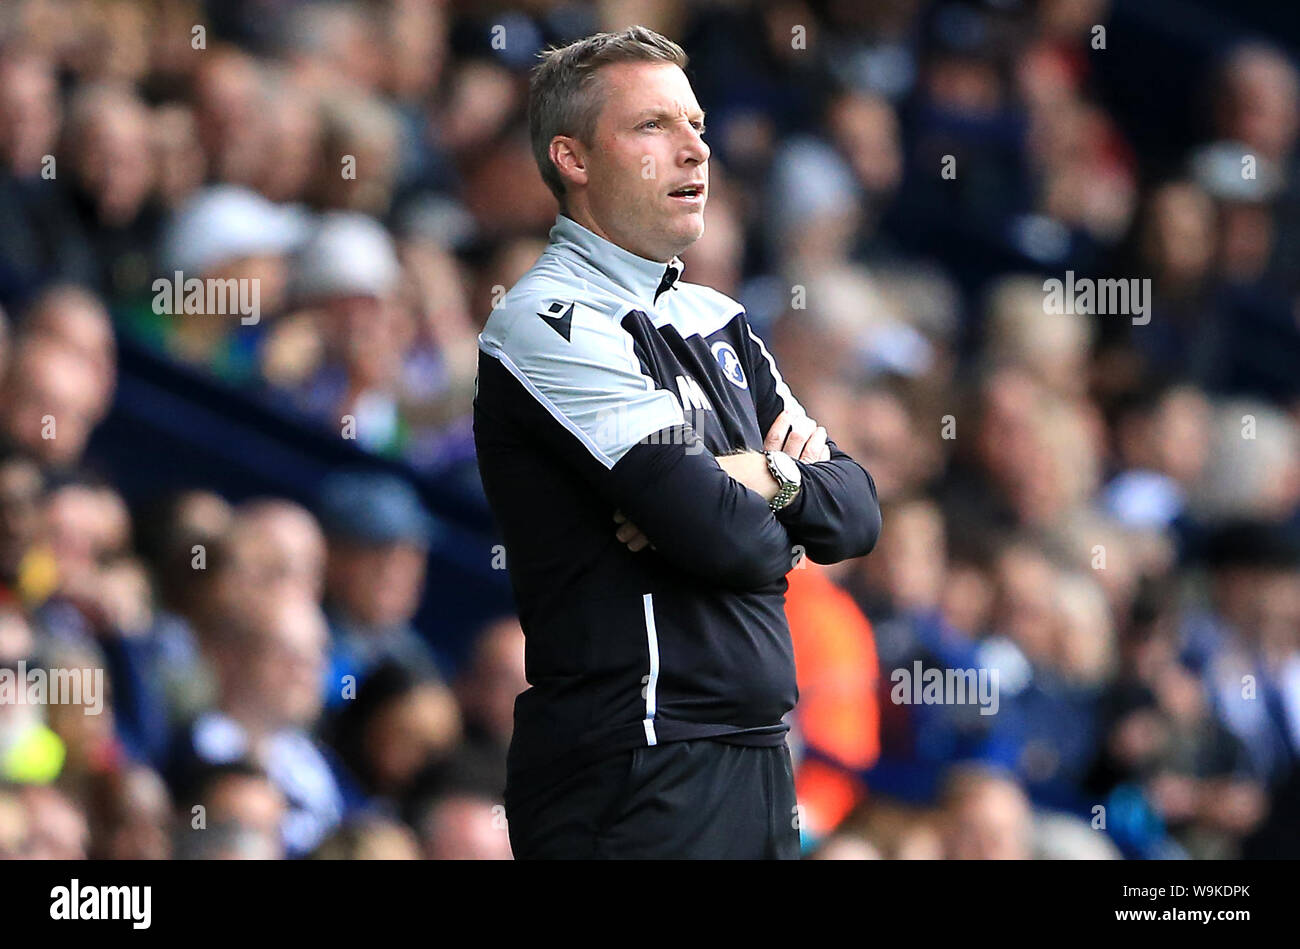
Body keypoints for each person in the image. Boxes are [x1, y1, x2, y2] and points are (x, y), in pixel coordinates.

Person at [473, 26, 881, 859]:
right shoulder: (550, 318)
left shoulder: (716, 317)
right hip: (637, 760)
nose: (696, 150)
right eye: (654, 127)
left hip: (756, 751)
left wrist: (751, 476)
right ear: (574, 159)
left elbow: (857, 514)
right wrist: (772, 494)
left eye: (696, 124)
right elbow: (723, 533)